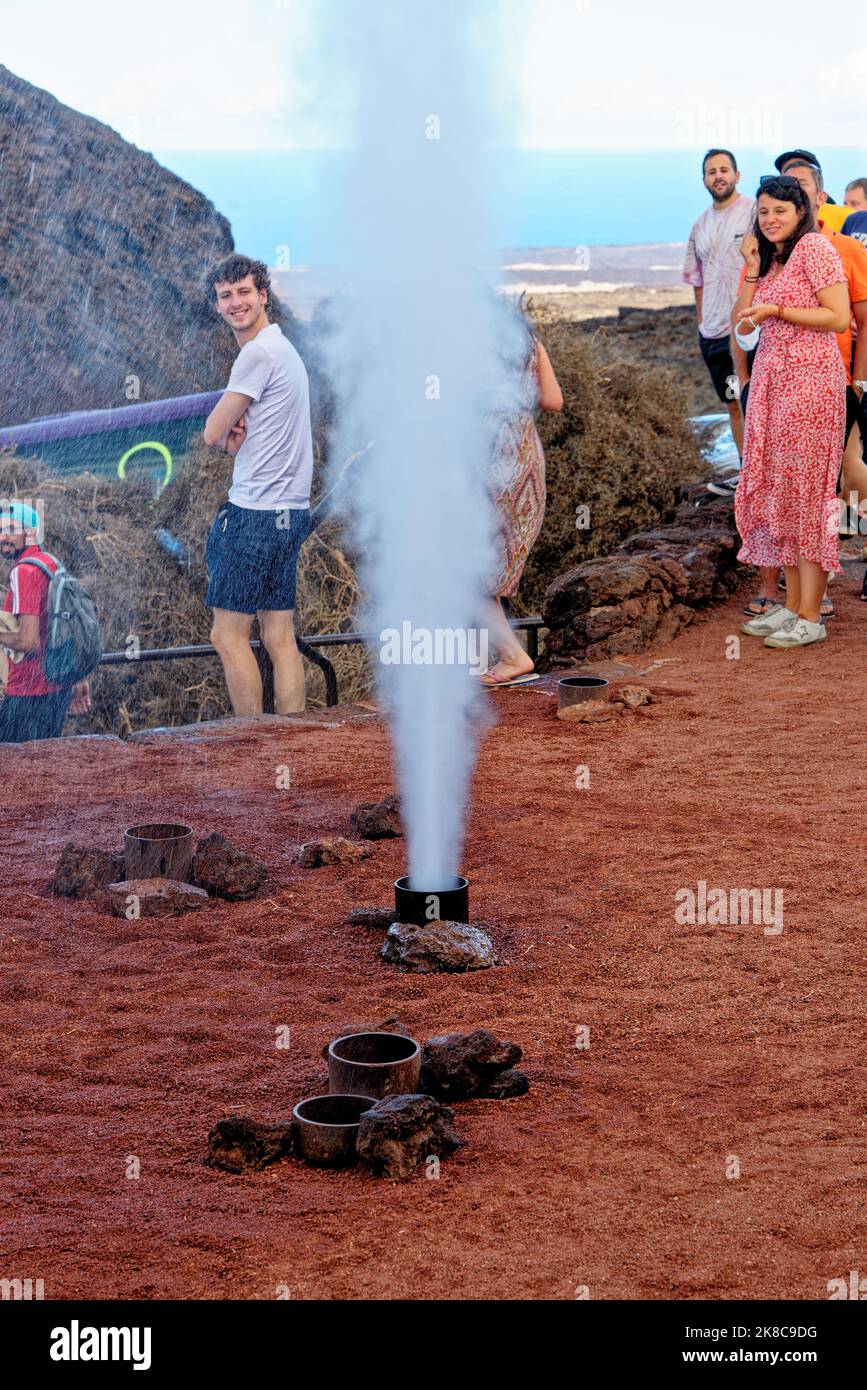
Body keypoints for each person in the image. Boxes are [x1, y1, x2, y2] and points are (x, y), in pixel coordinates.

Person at [737, 158, 867, 616]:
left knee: (811, 496)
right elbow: (742, 324)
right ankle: (792, 610)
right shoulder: (775, 257)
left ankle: (810, 616)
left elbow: (837, 317)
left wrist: (778, 312)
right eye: (763, 211)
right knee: (786, 496)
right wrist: (752, 268)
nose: (769, 219)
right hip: (775, 383)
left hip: (811, 385)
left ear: (801, 213)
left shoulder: (814, 248)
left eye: (780, 211)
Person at [203, 255, 314, 716]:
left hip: (253, 516)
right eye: (226, 295)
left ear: (263, 295)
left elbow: (212, 433)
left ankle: (249, 744)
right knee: (277, 636)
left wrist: (224, 435)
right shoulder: (283, 349)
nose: (235, 303)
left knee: (227, 636)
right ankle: (293, 740)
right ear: (217, 304)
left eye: (244, 292)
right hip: (290, 514)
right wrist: (232, 440)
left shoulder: (257, 353)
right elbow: (239, 439)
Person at [476, 320, 563, 687]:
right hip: (527, 467)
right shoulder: (528, 340)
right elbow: (553, 401)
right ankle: (506, 656)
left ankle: (513, 656)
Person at [683, 150, 755, 493]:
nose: (718, 176)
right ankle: (747, 475)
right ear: (704, 181)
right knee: (733, 402)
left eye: (724, 169)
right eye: (712, 172)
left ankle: (771, 478)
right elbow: (695, 279)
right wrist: (701, 321)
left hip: (751, 324)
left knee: (757, 399)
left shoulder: (755, 212)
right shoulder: (699, 225)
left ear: (737, 175)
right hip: (712, 331)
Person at [0, 501, 91, 741]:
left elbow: (28, 641)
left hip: (27, 695)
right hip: (55, 691)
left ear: (30, 533)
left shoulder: (22, 572)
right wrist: (77, 676)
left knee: (13, 770)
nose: (3, 537)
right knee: (43, 767)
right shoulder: (50, 563)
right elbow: (65, 623)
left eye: (11, 530)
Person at [774, 150, 850, 231]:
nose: (794, 187)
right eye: (787, 178)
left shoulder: (847, 216)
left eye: (802, 166)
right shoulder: (771, 220)